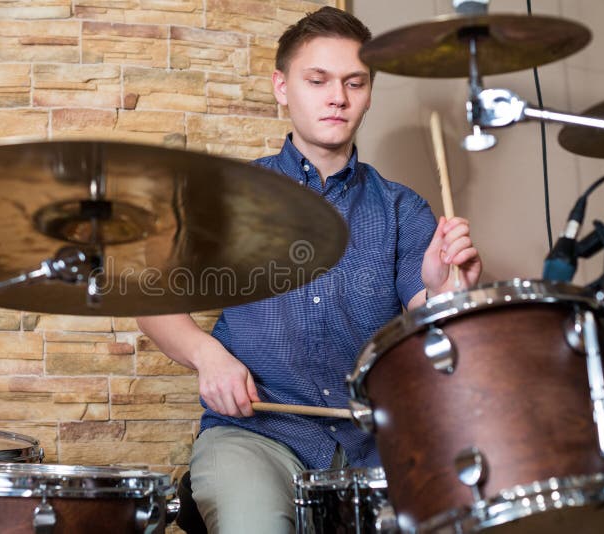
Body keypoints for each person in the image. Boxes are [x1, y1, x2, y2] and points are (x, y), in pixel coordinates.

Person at [137, 6, 482, 533]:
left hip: (376, 443)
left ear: (368, 92)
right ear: (282, 87)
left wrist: (442, 291)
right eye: (317, 80)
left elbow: (435, 337)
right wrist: (209, 356)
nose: (337, 97)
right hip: (255, 437)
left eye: (354, 82)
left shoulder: (402, 209)